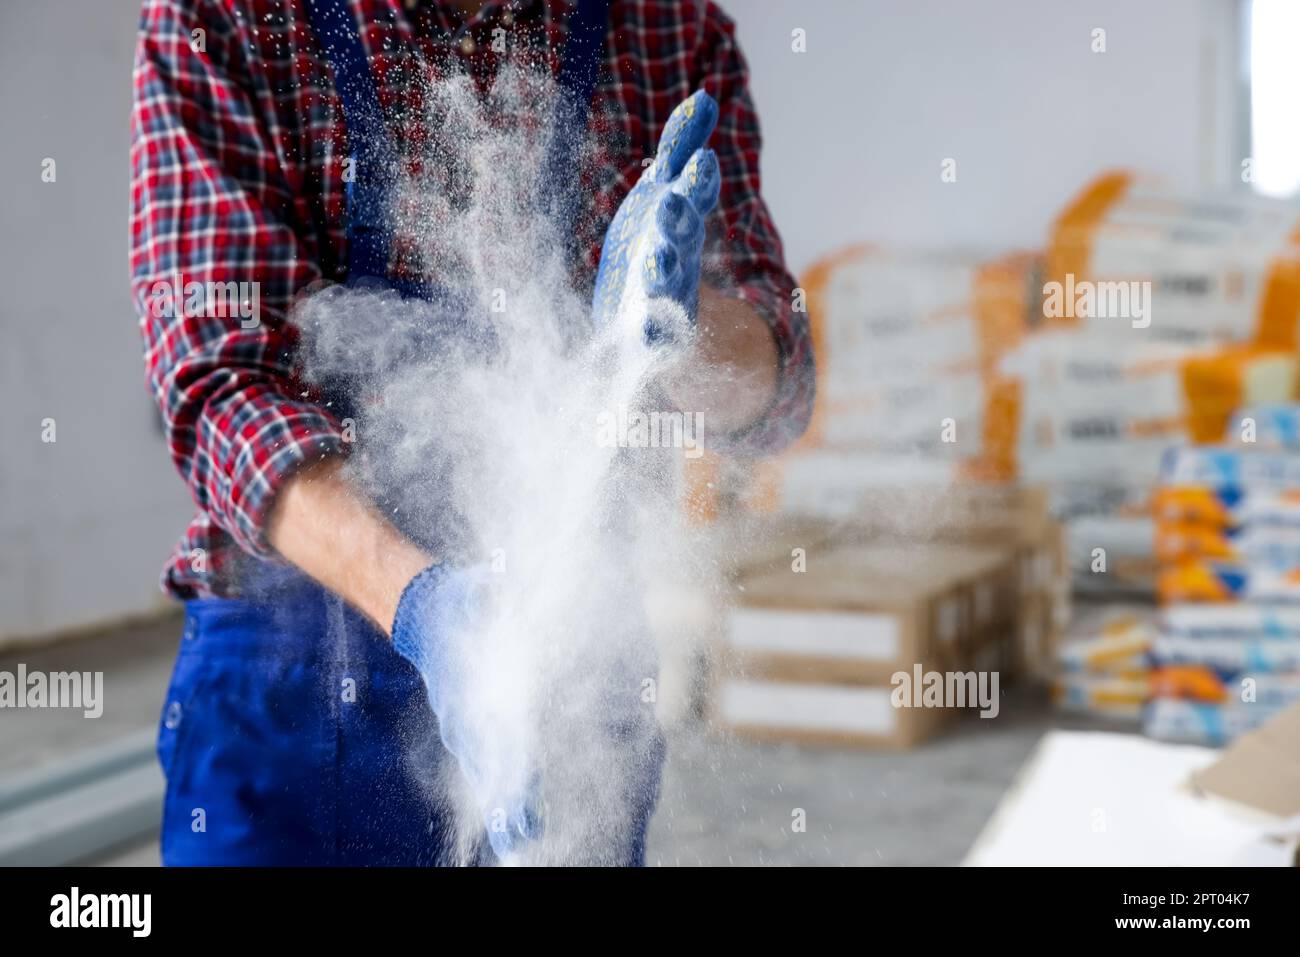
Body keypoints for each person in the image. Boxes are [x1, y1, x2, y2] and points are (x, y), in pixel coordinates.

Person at [131, 0, 813, 865]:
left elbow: (778, 380)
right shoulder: (223, 18)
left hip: (568, 657)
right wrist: (428, 611)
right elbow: (218, 385)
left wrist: (675, 331)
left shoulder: (668, 26)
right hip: (292, 686)